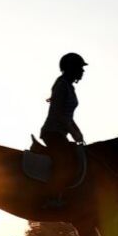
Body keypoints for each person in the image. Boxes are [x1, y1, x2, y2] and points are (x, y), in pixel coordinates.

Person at [40, 52, 87, 204]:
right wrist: (73, 132)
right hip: (52, 132)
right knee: (64, 160)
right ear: (71, 68)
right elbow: (59, 113)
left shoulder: (69, 86)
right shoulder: (61, 85)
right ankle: (51, 197)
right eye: (80, 67)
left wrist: (78, 133)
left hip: (60, 133)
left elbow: (68, 117)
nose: (82, 71)